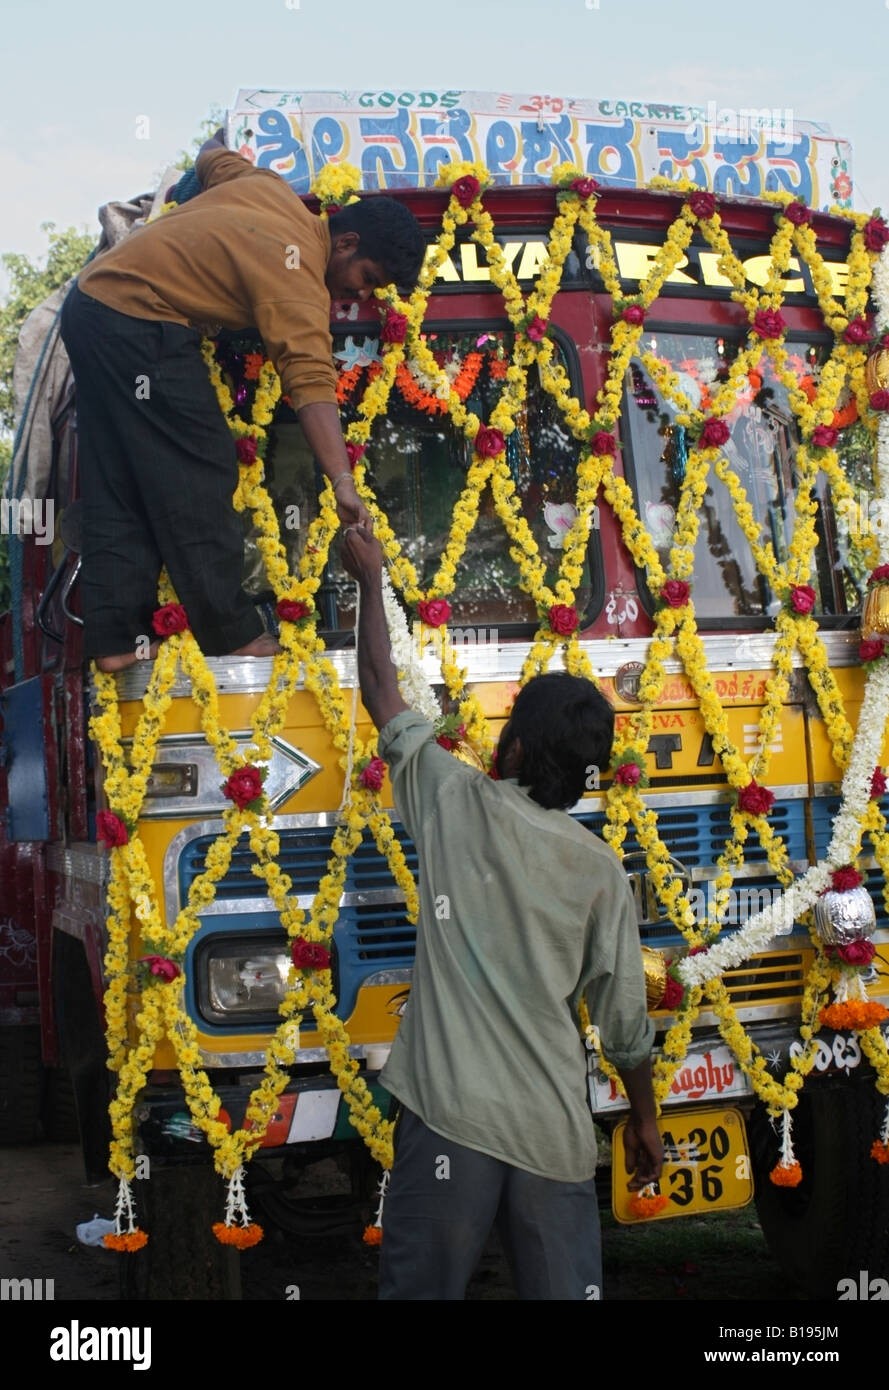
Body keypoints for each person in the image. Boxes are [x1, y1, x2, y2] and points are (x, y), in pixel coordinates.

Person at [340, 525, 664, 1302]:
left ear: (514, 747)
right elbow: (623, 1024)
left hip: (447, 1119)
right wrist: (644, 1118)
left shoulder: (455, 801)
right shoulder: (598, 872)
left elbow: (381, 685)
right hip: (551, 1134)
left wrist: (369, 579)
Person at [59, 130, 425, 671]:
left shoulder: (269, 189)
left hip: (90, 307)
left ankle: (115, 637)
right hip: (137, 322)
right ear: (344, 243)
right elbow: (312, 386)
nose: (363, 295)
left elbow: (211, 161)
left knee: (118, 479)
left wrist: (214, 144)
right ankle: (230, 633)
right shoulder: (298, 275)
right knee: (202, 464)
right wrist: (343, 483)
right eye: (367, 279)